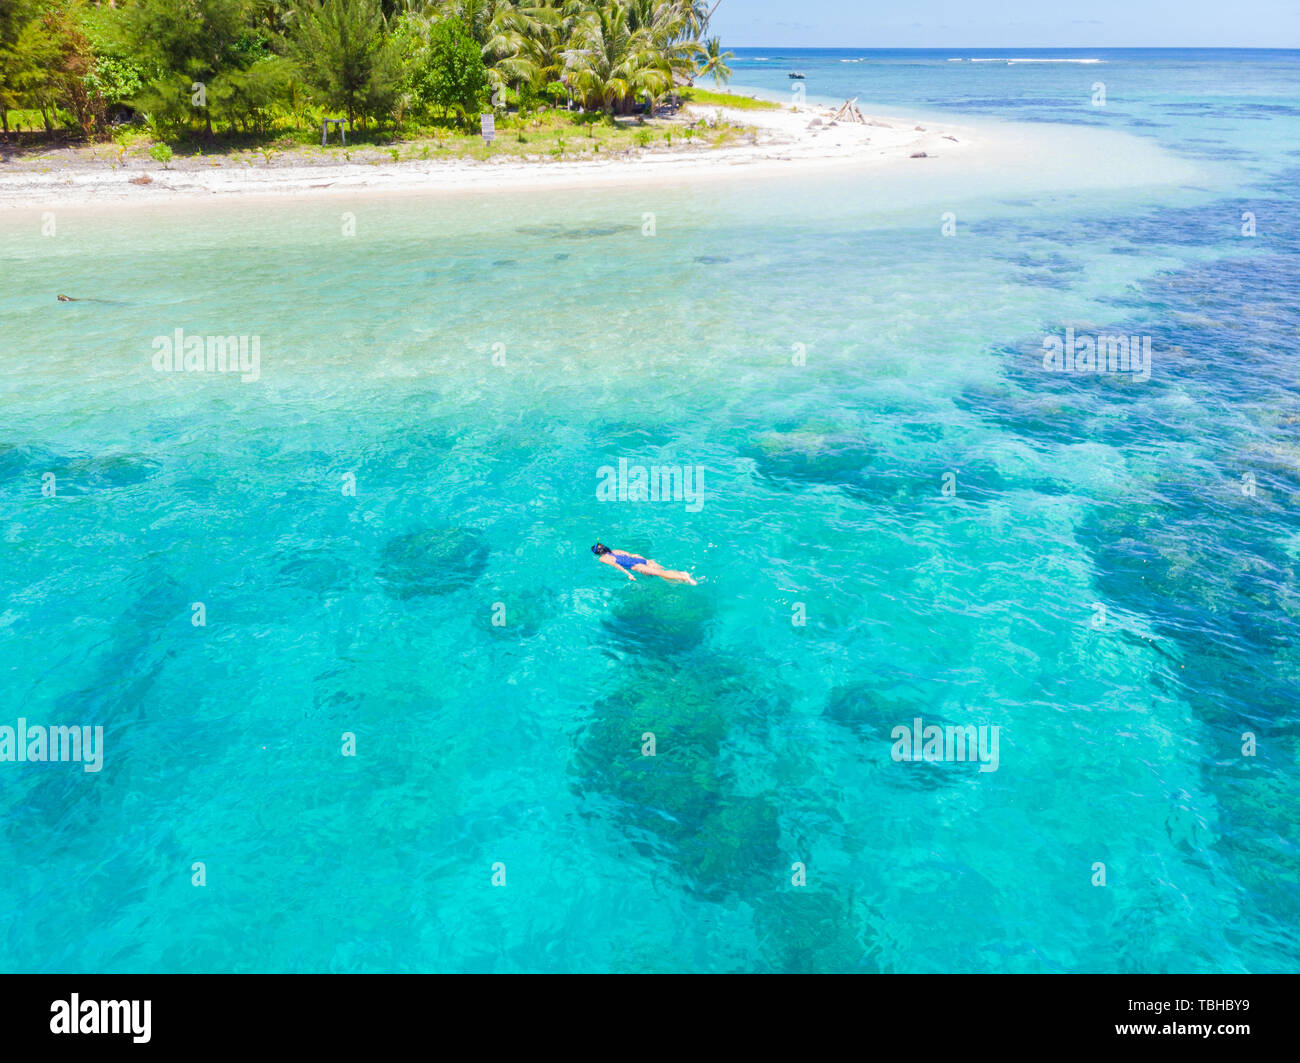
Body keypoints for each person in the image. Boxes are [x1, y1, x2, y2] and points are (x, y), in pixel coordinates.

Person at [591, 542, 697, 585]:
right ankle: (680, 575)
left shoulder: (603, 558)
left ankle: (684, 577)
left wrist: (629, 574)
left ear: (597, 553)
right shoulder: (615, 551)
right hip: (641, 560)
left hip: (636, 566)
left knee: (661, 574)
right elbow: (631, 554)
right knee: (661, 572)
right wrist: (645, 560)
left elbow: (616, 565)